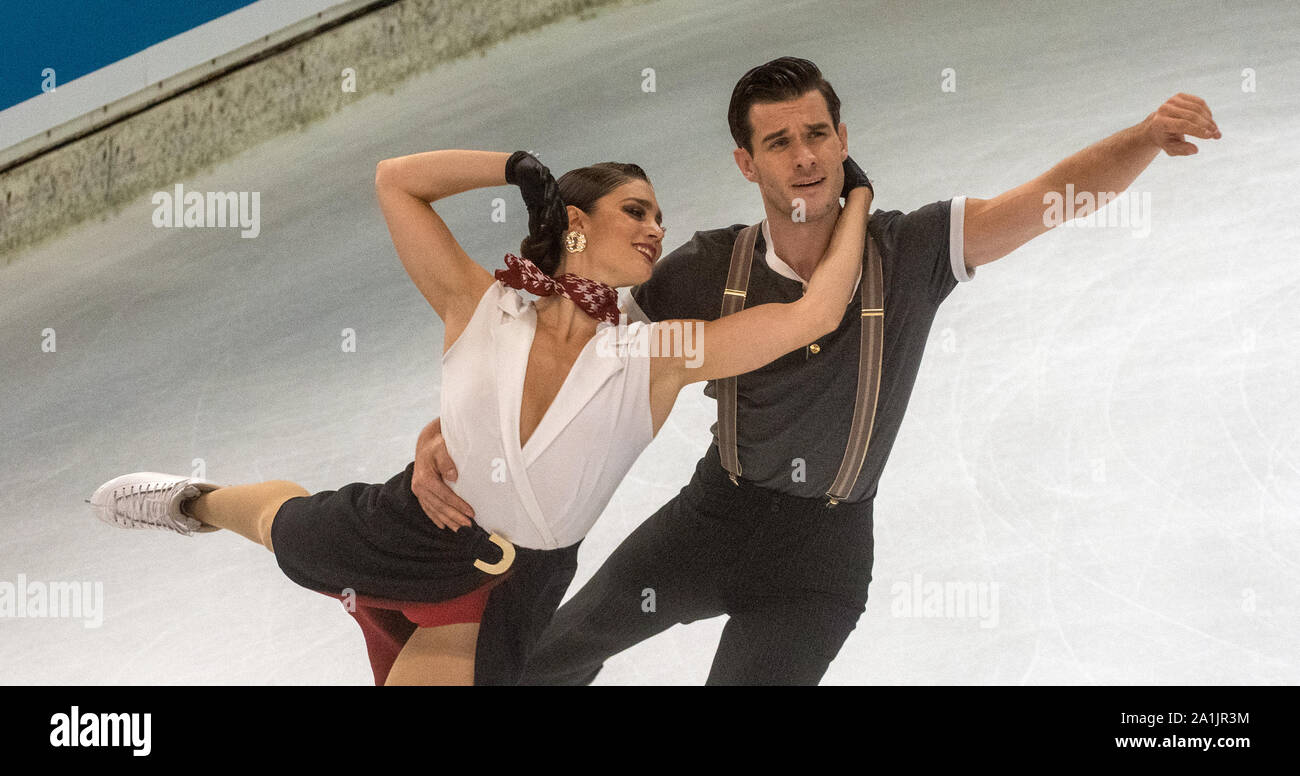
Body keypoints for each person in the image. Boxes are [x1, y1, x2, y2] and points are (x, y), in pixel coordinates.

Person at [410, 57, 1221, 684]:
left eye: (817, 134)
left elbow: (1051, 197)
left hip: (823, 559)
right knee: (546, 651)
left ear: (842, 138)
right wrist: (448, 430)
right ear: (746, 162)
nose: (803, 157)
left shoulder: (911, 249)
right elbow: (559, 355)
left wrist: (1144, 137)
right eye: (778, 142)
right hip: (713, 520)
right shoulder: (703, 267)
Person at [86, 147, 875, 685]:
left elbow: (815, 315)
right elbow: (397, 181)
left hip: (510, 583)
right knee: (280, 525)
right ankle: (190, 502)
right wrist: (510, 167)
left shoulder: (657, 351)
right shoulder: (482, 304)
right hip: (415, 526)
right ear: (575, 222)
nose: (655, 229)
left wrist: (859, 198)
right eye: (635, 211)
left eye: (659, 217)